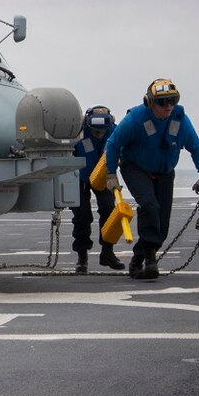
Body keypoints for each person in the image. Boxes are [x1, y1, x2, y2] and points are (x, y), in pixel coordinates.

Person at [104, 78, 199, 280]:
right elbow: (112, 144)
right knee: (149, 206)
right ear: (150, 102)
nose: (168, 106)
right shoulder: (135, 119)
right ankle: (150, 259)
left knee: (161, 225)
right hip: (136, 168)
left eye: (172, 100)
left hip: (165, 172)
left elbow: (196, 147)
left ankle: (137, 259)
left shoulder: (180, 121)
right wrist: (111, 175)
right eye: (162, 102)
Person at [72, 106, 124, 274]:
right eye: (95, 130)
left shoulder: (114, 131)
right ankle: (82, 256)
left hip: (104, 175)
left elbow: (123, 148)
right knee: (83, 215)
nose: (98, 134)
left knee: (109, 210)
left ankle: (107, 252)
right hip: (80, 176)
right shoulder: (77, 131)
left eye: (102, 131)